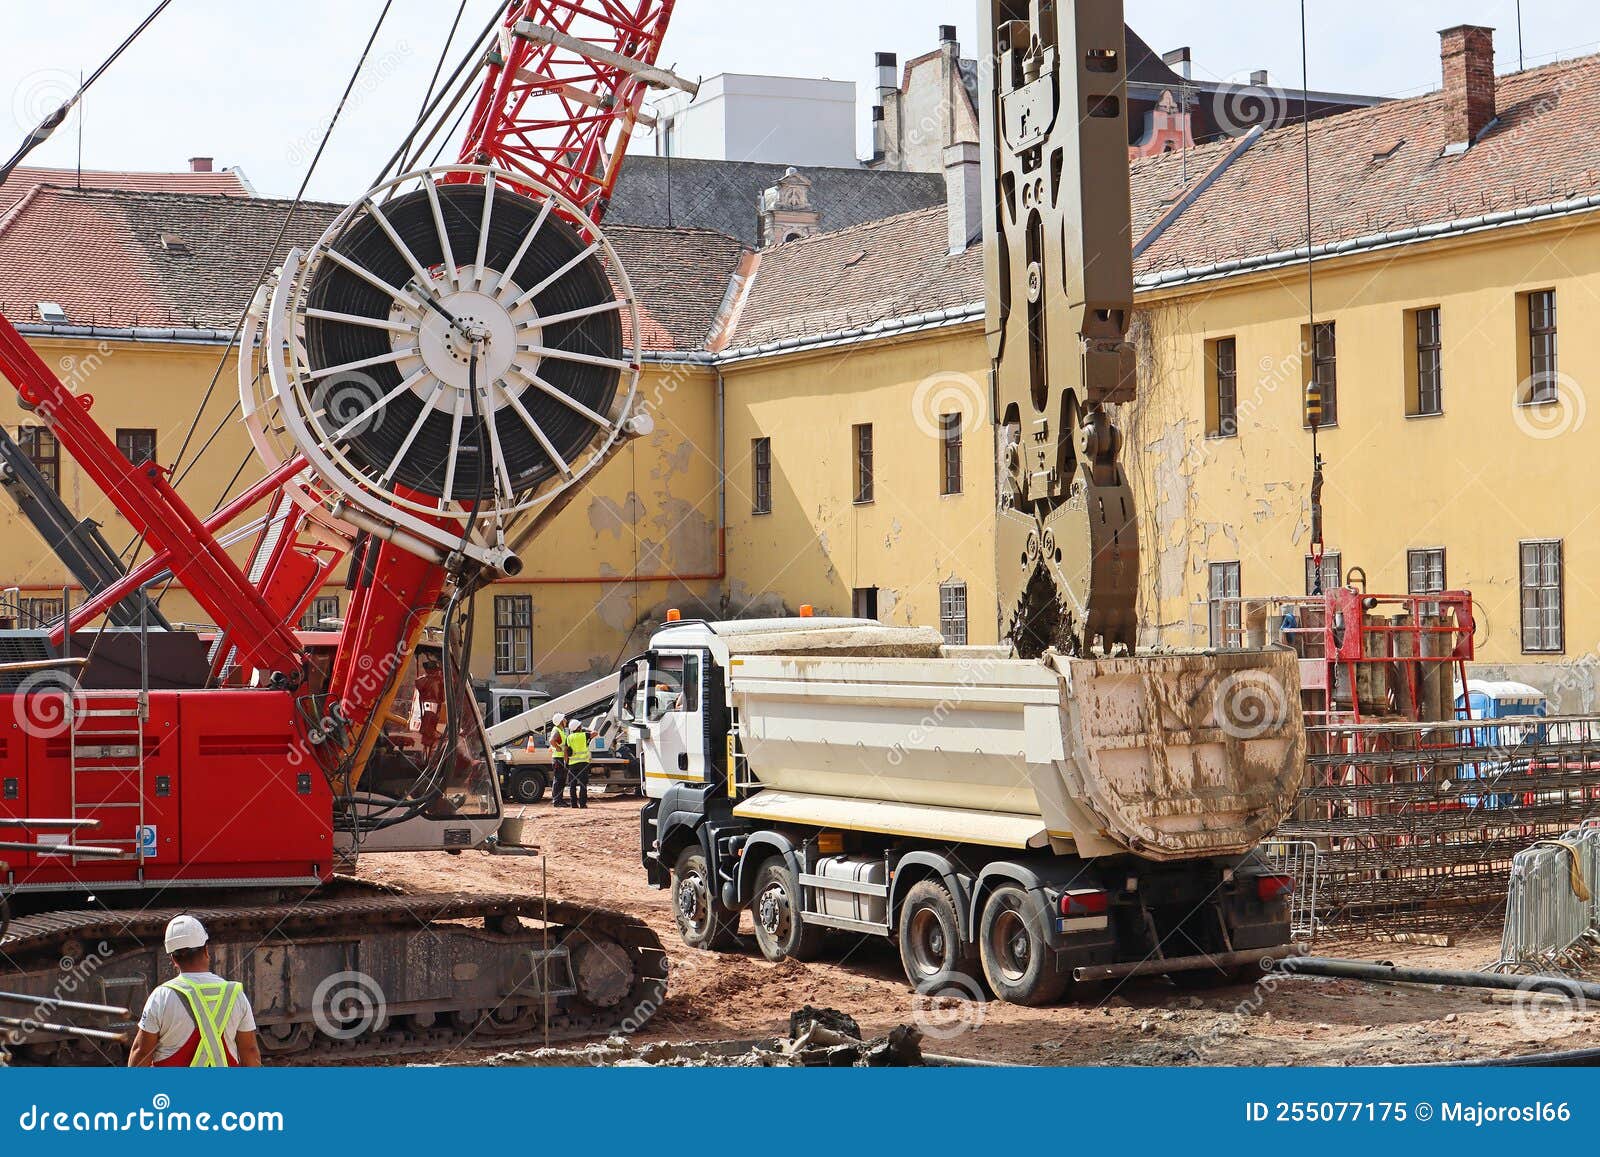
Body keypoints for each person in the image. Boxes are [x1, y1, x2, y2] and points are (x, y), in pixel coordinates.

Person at [128, 915, 261, 1068]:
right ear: (206, 951)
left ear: (173, 960)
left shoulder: (161, 997)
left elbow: (141, 1051)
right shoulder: (236, 994)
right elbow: (250, 1051)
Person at [543, 712, 569, 807]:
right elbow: (551, 741)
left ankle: (560, 800)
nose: (566, 720)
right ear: (561, 721)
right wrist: (557, 747)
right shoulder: (557, 730)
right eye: (564, 719)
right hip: (558, 758)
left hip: (560, 758)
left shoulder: (561, 730)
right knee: (558, 779)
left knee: (561, 780)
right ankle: (557, 801)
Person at [566, 718, 592, 809]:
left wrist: (567, 762)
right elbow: (595, 733)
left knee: (572, 785)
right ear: (578, 727)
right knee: (582, 784)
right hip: (583, 763)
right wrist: (586, 730)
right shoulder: (584, 735)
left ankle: (573, 804)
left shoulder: (569, 737)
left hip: (572, 764)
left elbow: (567, 750)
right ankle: (582, 804)